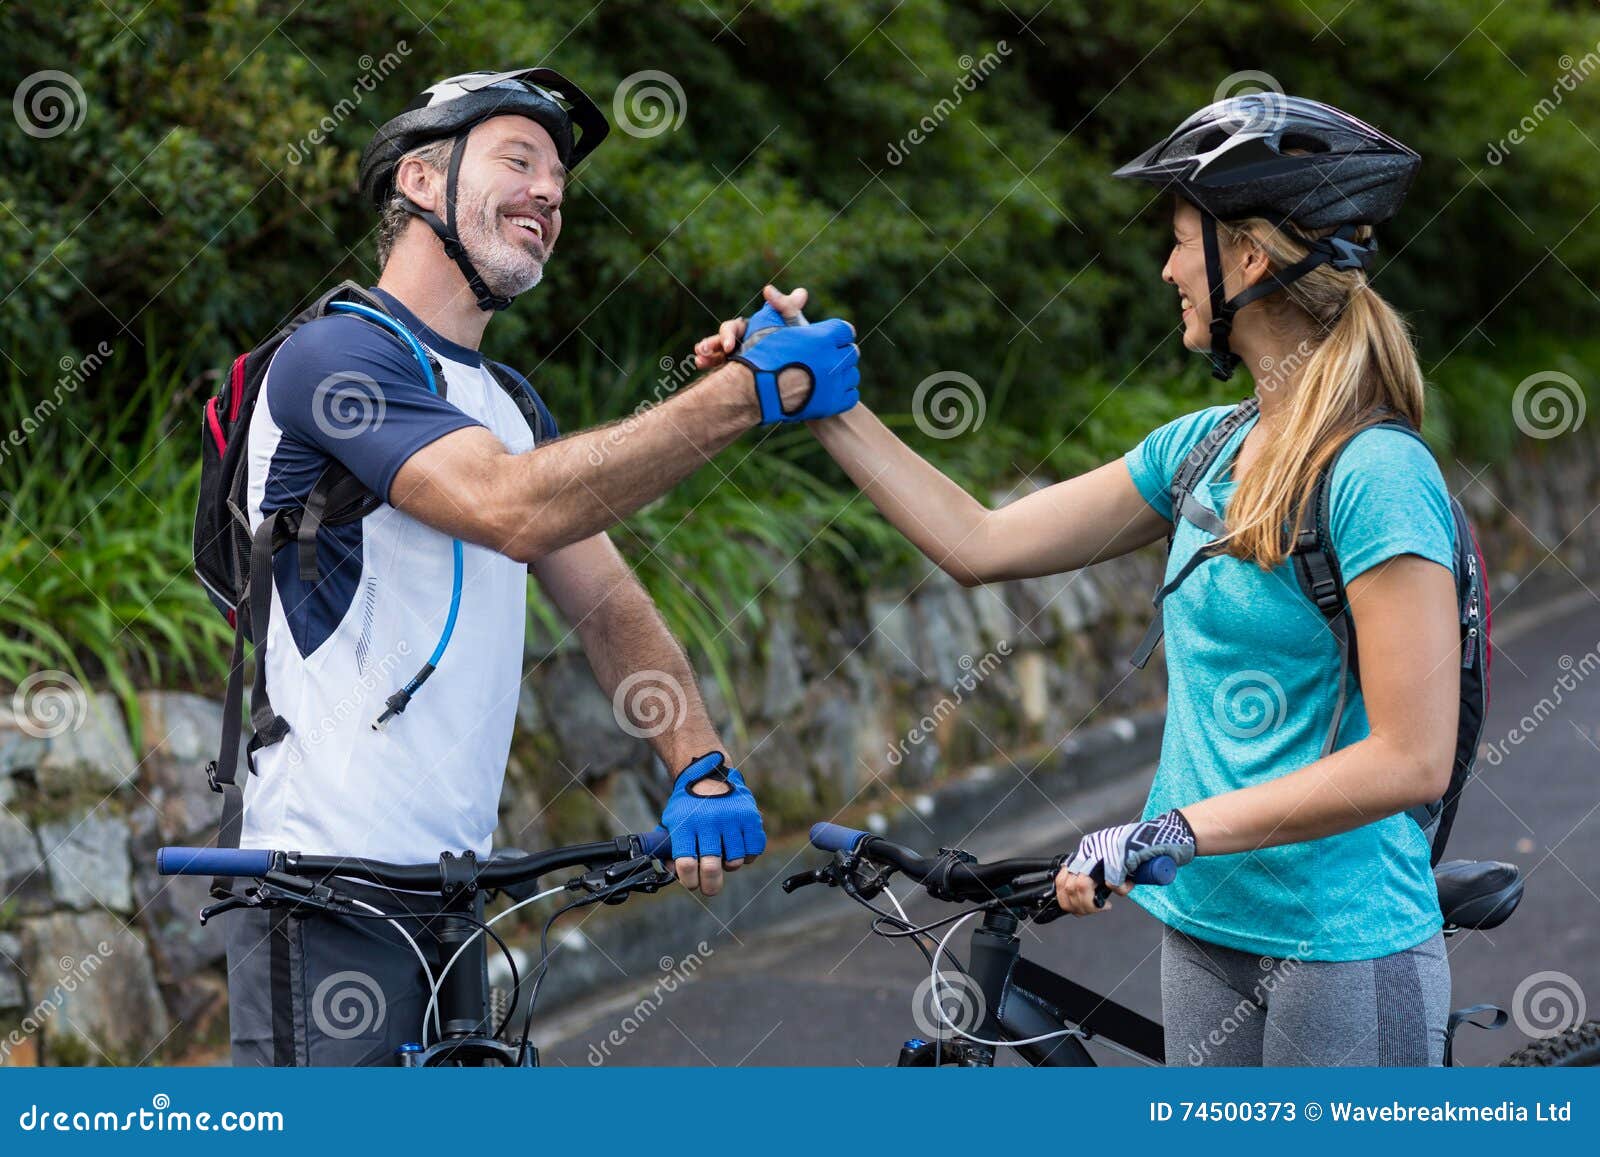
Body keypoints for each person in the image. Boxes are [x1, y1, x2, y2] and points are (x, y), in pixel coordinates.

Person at [694, 95, 1457, 1066]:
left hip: (1341, 942)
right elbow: (976, 540)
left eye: (1183, 241)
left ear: (1250, 260)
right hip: (1207, 924)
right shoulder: (1203, 450)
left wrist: (1173, 828)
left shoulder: (1374, 473)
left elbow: (1409, 758)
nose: (1169, 267)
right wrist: (818, 397)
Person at [225, 67, 861, 1065]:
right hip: (323, 889)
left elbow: (605, 599)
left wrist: (695, 762)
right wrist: (742, 396)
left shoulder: (510, 404)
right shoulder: (331, 358)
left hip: (456, 893)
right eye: (517, 159)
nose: (549, 191)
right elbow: (508, 510)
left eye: (558, 175)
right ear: (422, 183)